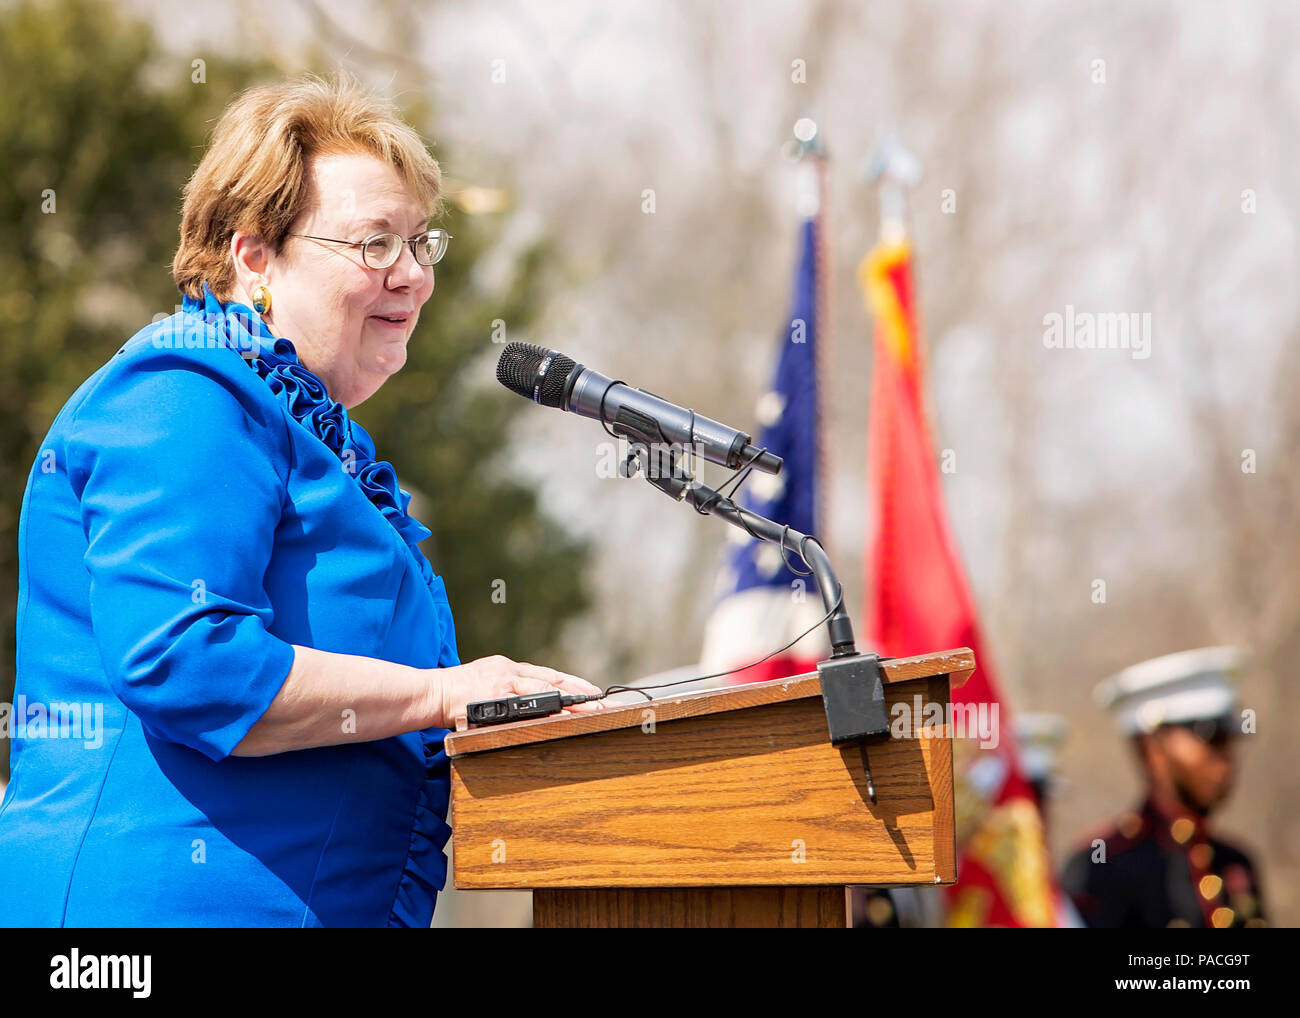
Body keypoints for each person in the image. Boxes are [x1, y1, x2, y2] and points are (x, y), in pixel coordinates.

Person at [0, 74, 603, 928]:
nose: (414, 277)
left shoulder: (314, 437)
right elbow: (189, 661)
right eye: (374, 244)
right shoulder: (186, 394)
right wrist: (444, 695)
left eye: (421, 244)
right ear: (254, 256)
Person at [1060, 647, 1266, 928]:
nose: (1225, 760)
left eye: (1228, 741)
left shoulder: (1236, 863)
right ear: (1154, 750)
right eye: (1211, 739)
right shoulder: (1102, 867)